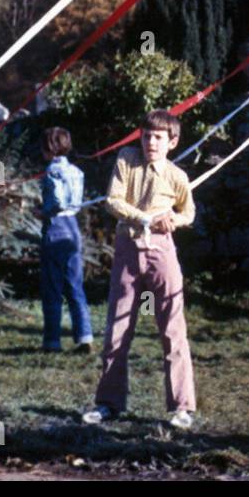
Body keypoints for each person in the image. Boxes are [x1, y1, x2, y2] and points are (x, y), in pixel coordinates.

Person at [83, 110, 197, 429]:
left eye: (159, 137)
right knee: (118, 325)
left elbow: (189, 211)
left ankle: (181, 407)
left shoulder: (177, 176)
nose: (151, 142)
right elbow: (113, 200)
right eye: (147, 135)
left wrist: (174, 219)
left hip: (162, 250)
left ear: (172, 142)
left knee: (172, 328)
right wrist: (146, 218)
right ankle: (108, 403)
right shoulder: (126, 159)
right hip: (128, 246)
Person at [39, 127, 92, 354]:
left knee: (52, 287)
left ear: (48, 148)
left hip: (55, 227)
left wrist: (41, 211)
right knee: (74, 285)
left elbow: (58, 201)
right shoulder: (77, 171)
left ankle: (52, 341)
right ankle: (85, 336)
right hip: (73, 227)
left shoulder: (51, 171)